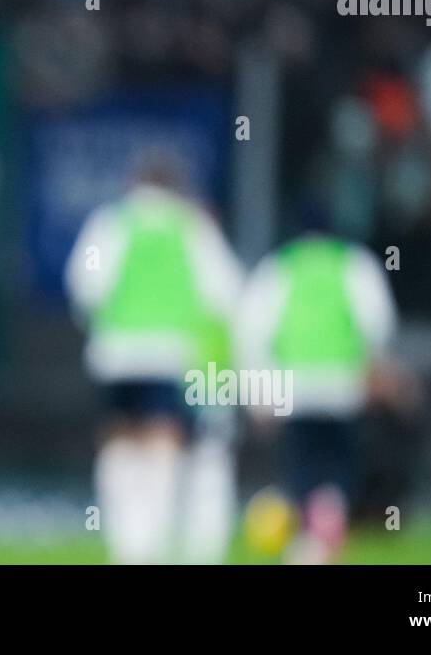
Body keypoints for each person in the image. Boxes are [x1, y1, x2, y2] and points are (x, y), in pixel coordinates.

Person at [65, 153, 243, 564]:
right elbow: (225, 293)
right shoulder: (193, 226)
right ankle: (154, 541)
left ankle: (125, 544)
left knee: (118, 444)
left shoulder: (111, 223)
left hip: (116, 355)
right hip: (172, 355)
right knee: (164, 446)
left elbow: (85, 285)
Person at [235, 211, 397, 564]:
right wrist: (373, 371)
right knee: (338, 466)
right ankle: (324, 537)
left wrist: (260, 394)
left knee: (301, 466)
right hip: (343, 386)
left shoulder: (278, 267)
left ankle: (307, 541)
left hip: (295, 389)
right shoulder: (355, 264)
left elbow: (252, 334)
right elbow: (378, 323)